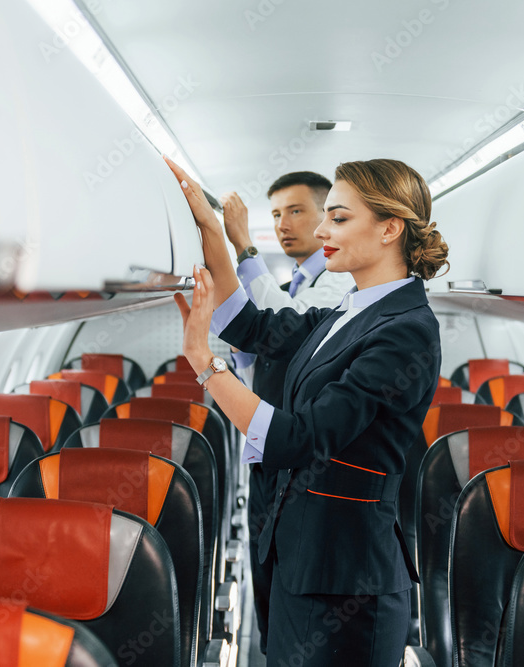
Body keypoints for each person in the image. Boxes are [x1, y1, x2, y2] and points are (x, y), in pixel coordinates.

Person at [166, 155, 448, 666]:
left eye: (338, 218)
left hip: (347, 585)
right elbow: (252, 326)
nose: (321, 230)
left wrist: (206, 365)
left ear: (390, 228)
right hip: (300, 559)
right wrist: (212, 231)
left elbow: (296, 439)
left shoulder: (405, 330)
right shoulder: (352, 309)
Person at [219, 173, 354, 655]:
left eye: (296, 211)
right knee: (268, 586)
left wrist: (240, 247)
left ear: (326, 217)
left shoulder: (341, 282)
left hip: (302, 460)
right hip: (266, 456)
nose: (282, 224)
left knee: (295, 605)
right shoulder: (287, 285)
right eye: (275, 214)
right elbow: (260, 353)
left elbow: (285, 331)